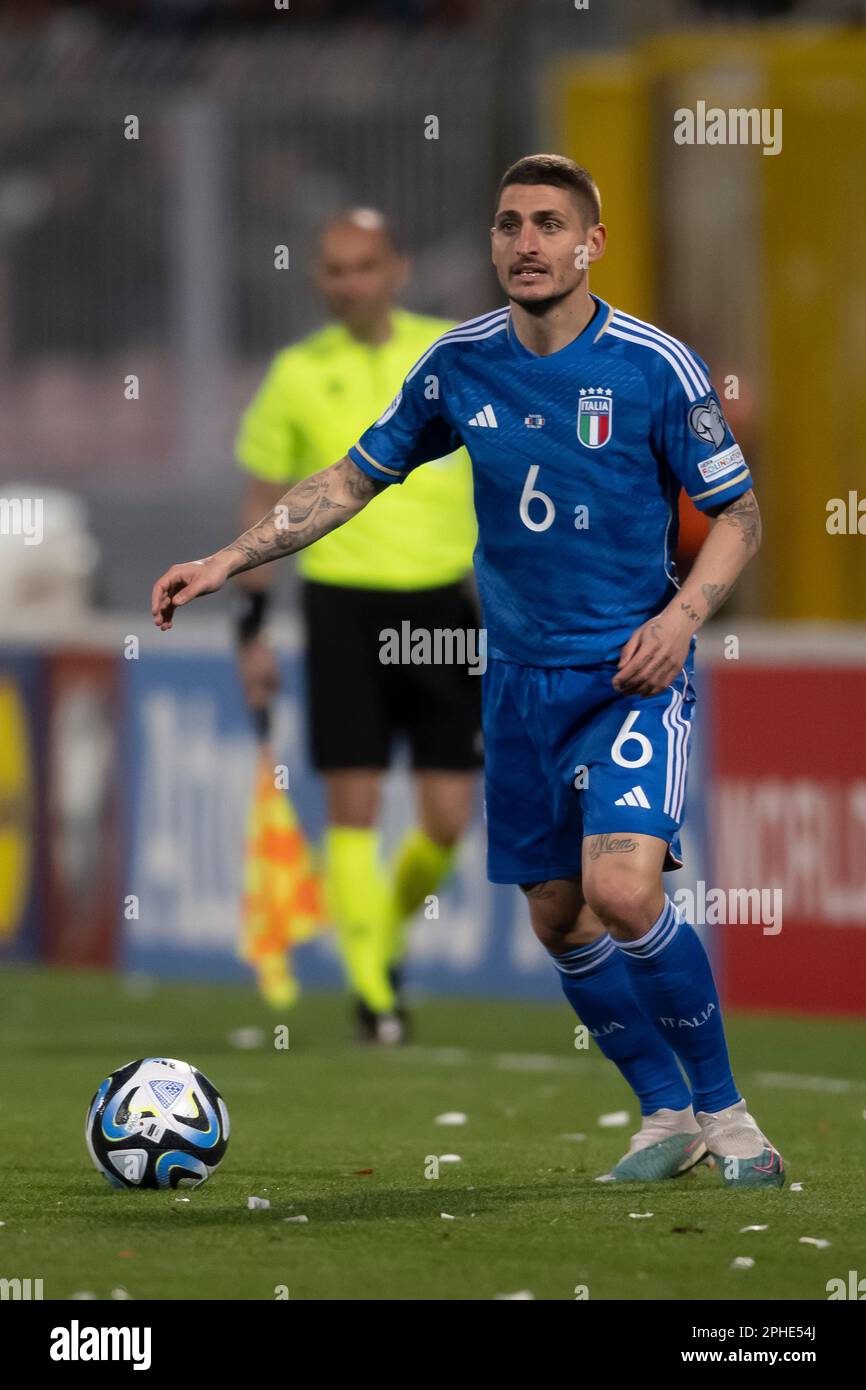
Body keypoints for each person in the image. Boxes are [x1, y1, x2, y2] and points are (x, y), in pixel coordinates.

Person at [152, 153, 782, 1187]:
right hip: (517, 681)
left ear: (591, 244)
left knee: (621, 890)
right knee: (553, 912)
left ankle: (730, 1117)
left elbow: (738, 516)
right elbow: (353, 479)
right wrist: (226, 562)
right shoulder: (460, 363)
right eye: (506, 225)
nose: (524, 243)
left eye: (546, 224)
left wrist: (681, 615)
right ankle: (662, 1112)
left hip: (629, 671)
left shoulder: (652, 366)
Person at [233, 208, 481, 1040]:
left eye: (365, 266)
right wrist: (252, 627)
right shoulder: (296, 374)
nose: (351, 283)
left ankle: (384, 928)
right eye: (335, 269)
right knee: (355, 802)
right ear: (318, 280)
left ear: (396, 269)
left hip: (448, 606)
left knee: (448, 817)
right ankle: (376, 997)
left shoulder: (451, 353)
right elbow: (265, 502)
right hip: (342, 605)